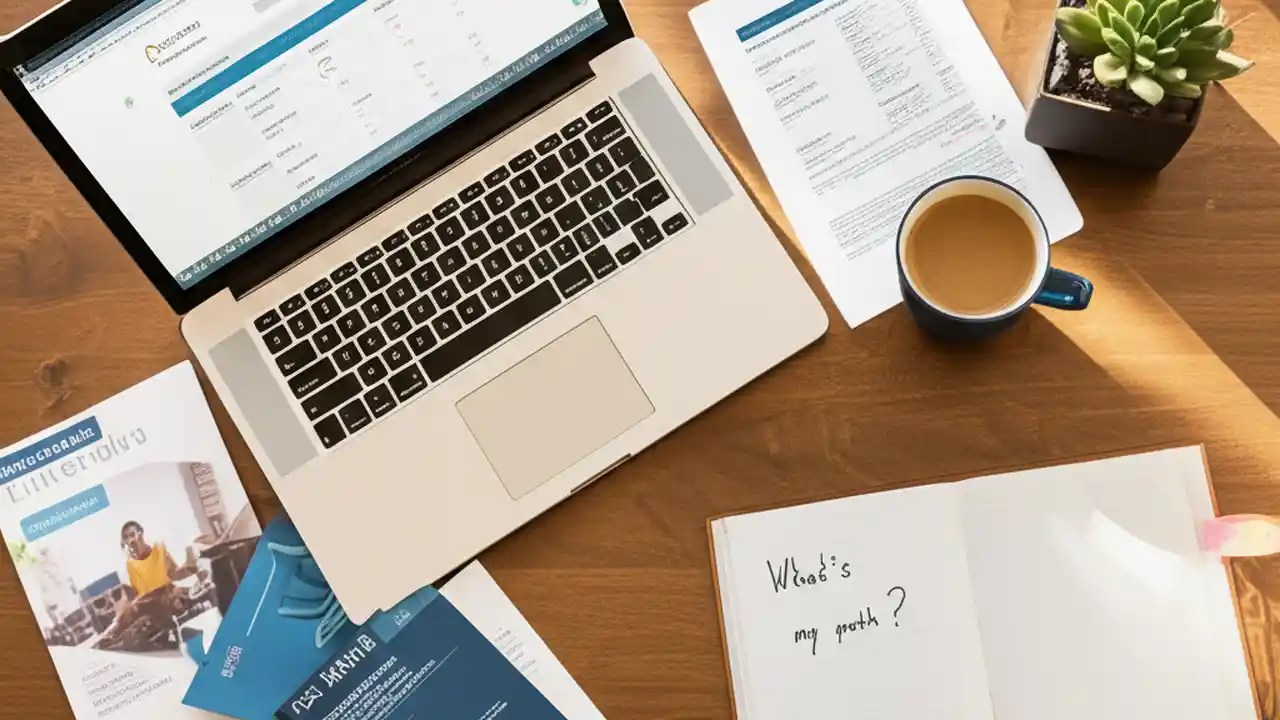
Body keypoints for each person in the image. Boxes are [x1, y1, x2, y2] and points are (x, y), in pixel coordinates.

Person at [120, 520, 198, 597]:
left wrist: (189, 566)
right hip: (151, 605)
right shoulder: (130, 566)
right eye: (126, 537)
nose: (130, 540)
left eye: (132, 535)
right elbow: (135, 595)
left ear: (140, 534)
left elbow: (174, 574)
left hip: (170, 598)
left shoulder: (159, 551)